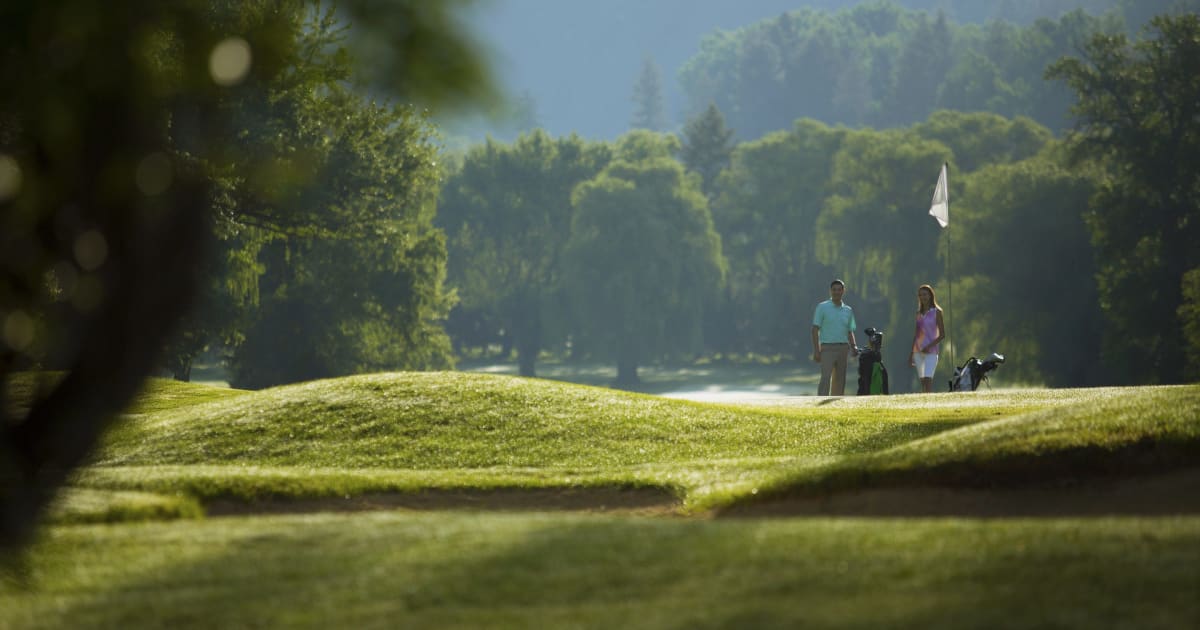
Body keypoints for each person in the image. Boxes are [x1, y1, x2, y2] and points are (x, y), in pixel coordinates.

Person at [811, 279, 858, 396]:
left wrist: (854, 346)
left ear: (843, 291)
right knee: (826, 377)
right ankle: (821, 400)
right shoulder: (822, 307)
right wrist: (817, 350)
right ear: (830, 291)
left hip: (843, 348)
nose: (836, 292)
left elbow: (850, 330)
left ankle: (835, 403)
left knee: (840, 379)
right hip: (827, 348)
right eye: (834, 290)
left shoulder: (848, 310)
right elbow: (815, 329)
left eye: (839, 290)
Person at [909, 284, 946, 393]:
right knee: (923, 381)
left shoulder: (937, 312)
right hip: (918, 351)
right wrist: (911, 353)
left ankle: (929, 402)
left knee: (928, 379)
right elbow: (916, 334)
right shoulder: (918, 313)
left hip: (932, 351)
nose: (922, 297)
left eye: (925, 294)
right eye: (920, 295)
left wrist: (929, 346)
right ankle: (925, 401)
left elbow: (942, 335)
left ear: (930, 295)